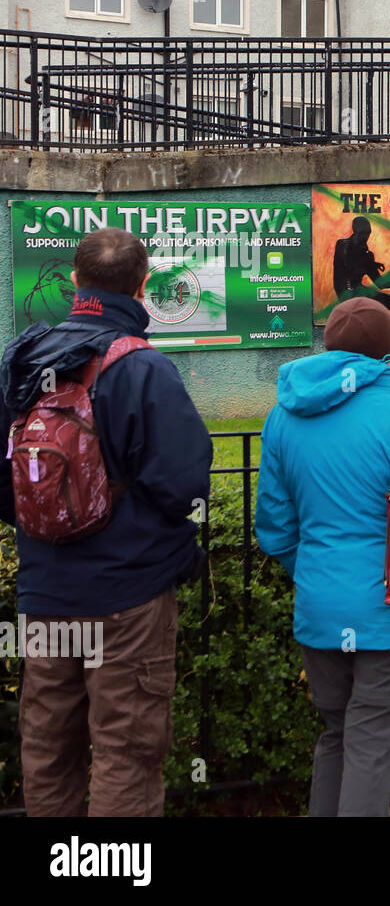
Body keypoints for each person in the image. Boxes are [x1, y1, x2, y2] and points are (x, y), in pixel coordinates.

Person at [0, 227, 212, 817]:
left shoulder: (23, 362)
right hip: (128, 596)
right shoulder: (144, 369)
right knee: (125, 748)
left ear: (74, 282)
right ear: (143, 288)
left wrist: (49, 528)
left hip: (45, 594)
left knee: (47, 745)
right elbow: (185, 481)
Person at [255, 297, 390, 817]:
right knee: (372, 745)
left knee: (337, 735)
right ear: (389, 351)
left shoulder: (282, 416)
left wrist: (313, 573)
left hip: (320, 606)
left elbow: (275, 528)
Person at [333, 216, 390, 310]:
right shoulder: (342, 245)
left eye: (367, 233)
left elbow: (379, 283)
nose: (365, 237)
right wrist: (370, 263)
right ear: (355, 231)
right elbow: (349, 266)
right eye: (362, 233)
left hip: (358, 291)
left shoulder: (366, 255)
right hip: (347, 293)